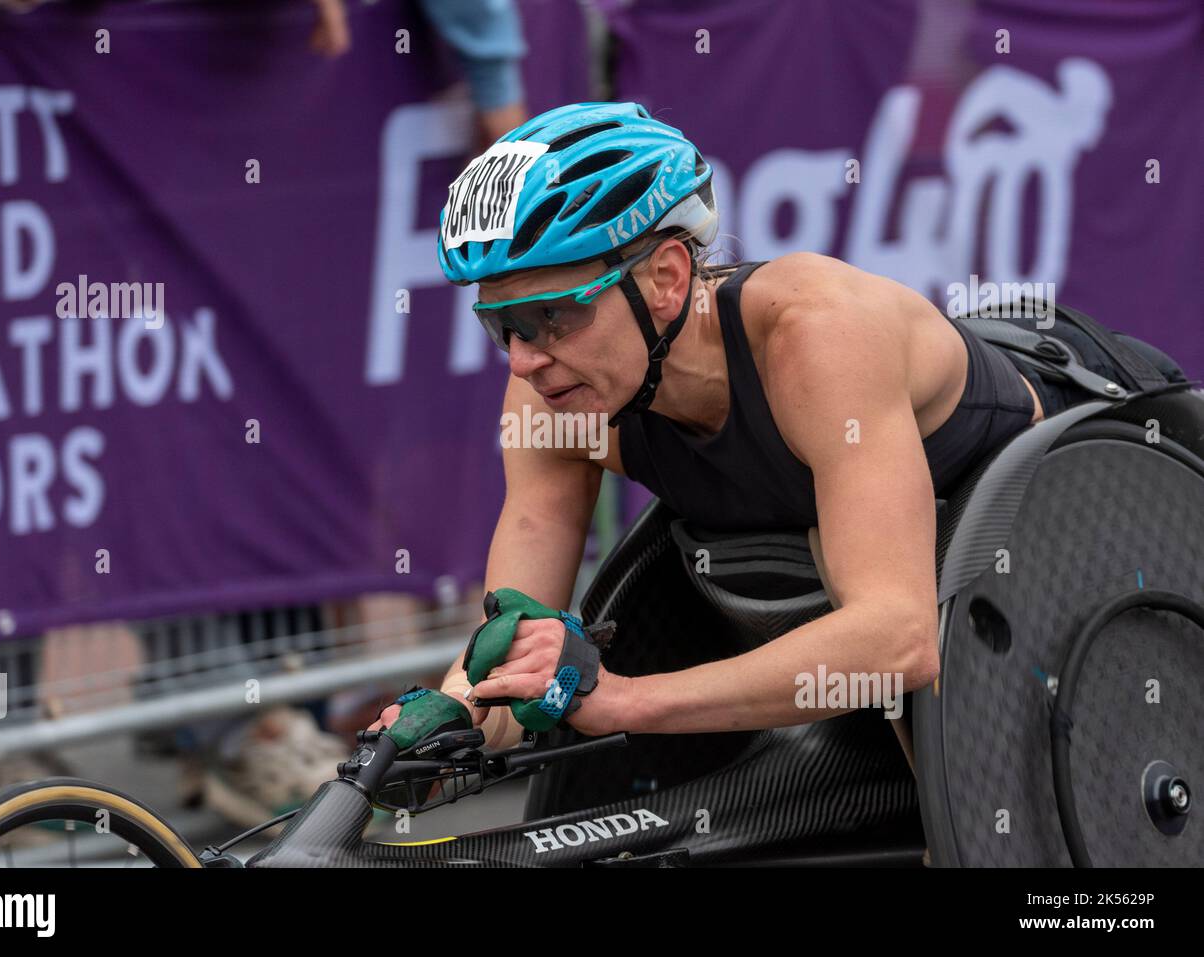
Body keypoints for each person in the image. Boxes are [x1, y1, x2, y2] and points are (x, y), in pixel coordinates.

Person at [367, 101, 1186, 756]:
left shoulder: (815, 334)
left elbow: (898, 638)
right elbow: (514, 647)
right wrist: (450, 721)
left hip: (1094, 489)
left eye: (549, 317)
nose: (523, 361)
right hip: (921, 584)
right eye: (500, 326)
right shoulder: (553, 400)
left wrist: (621, 698)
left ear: (664, 278)